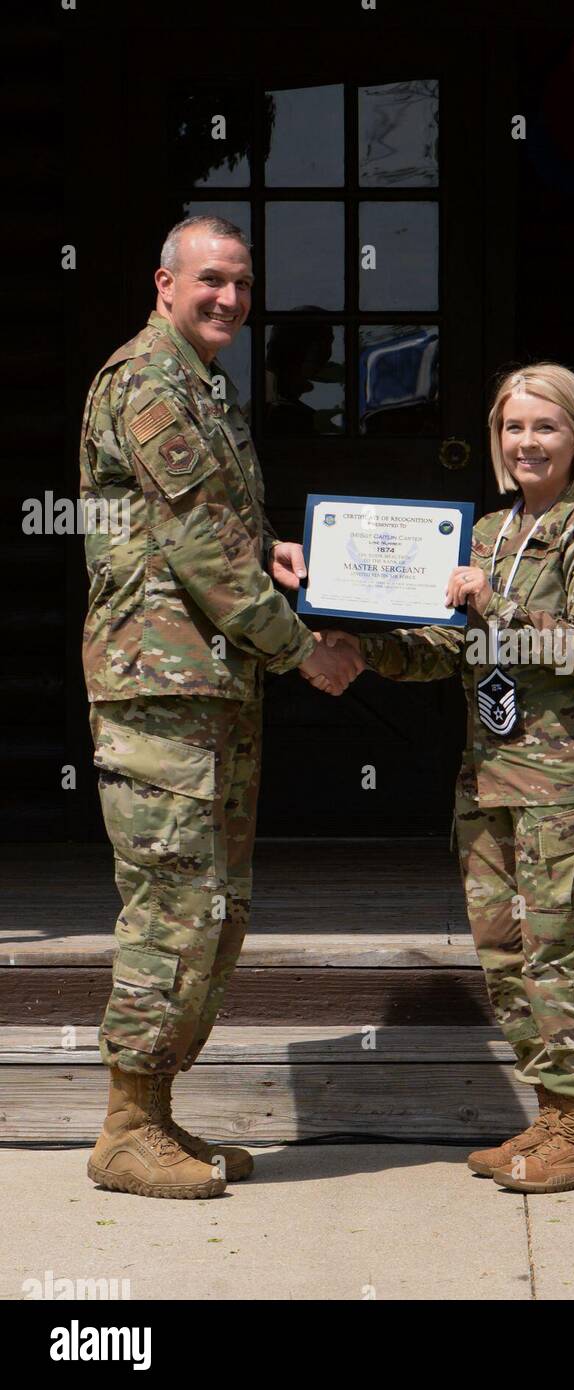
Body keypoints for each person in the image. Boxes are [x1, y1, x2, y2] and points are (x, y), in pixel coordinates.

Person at [79, 215, 361, 1199]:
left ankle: (152, 1111)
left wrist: (278, 551)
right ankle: (124, 1129)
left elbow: (219, 532)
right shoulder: (146, 385)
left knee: (213, 912)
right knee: (169, 907)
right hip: (161, 691)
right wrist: (301, 651)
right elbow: (198, 550)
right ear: (165, 284)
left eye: (240, 284)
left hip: (207, 686)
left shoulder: (205, 390)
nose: (228, 299)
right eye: (209, 281)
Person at [324, 363, 574, 1193]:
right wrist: (367, 647)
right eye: (514, 428)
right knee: (506, 954)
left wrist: (494, 604)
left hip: (567, 788)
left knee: (562, 952)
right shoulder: (484, 533)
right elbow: (445, 647)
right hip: (489, 780)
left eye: (547, 427)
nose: (528, 442)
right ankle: (551, 1114)